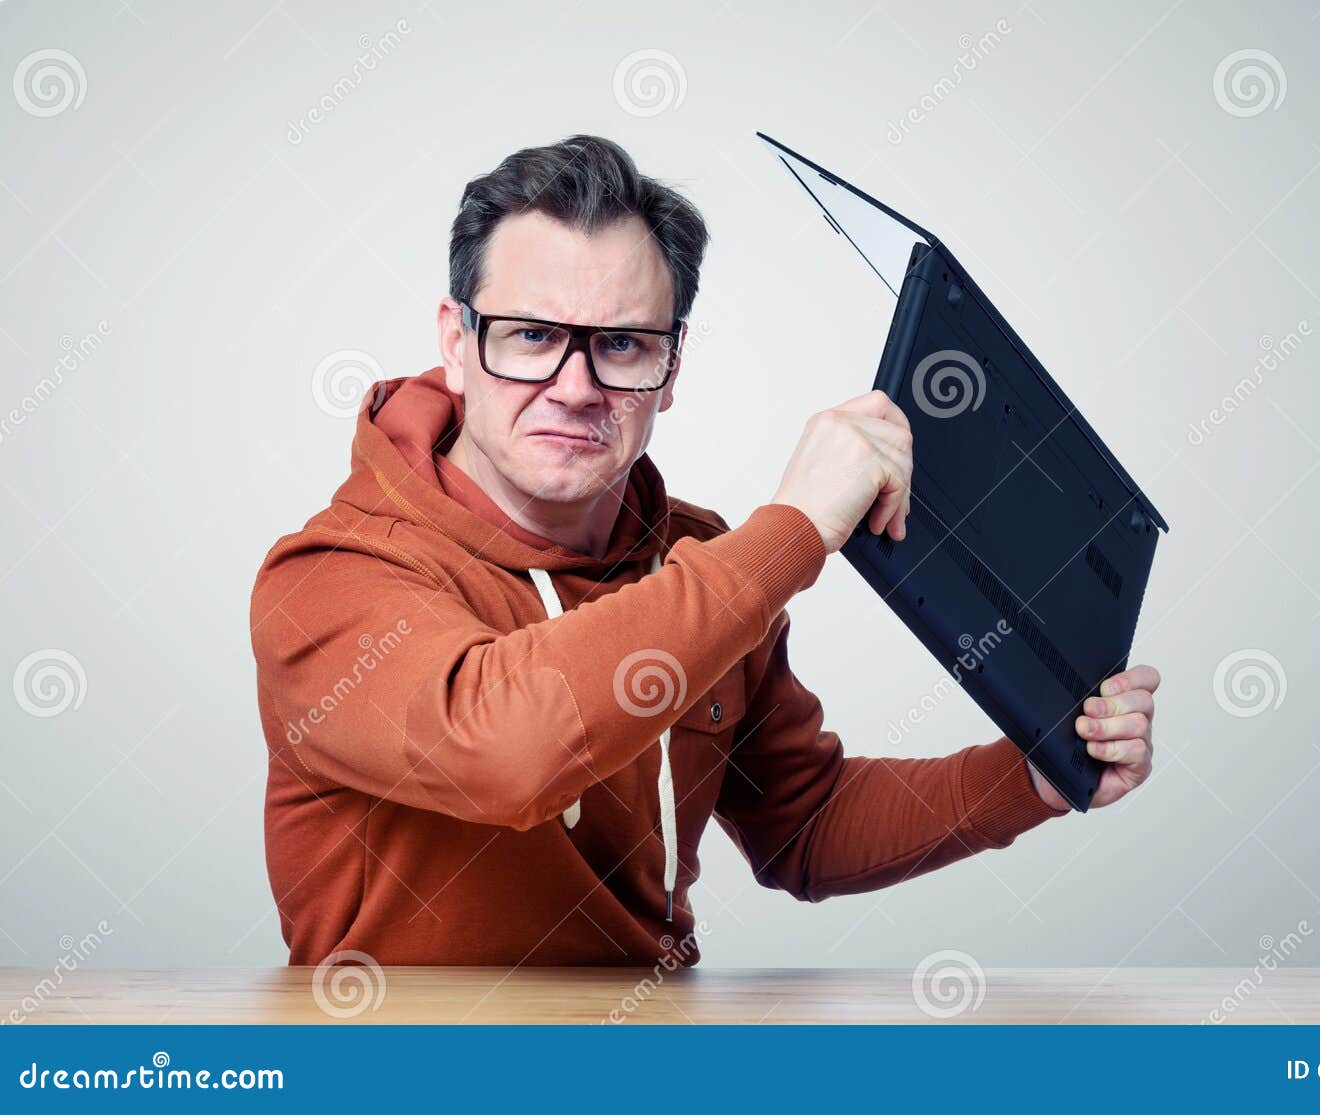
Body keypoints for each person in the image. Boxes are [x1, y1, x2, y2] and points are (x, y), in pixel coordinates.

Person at [249, 135, 1160, 965]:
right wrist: (793, 532)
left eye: (620, 344)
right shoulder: (329, 582)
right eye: (531, 336)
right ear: (457, 343)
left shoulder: (699, 558)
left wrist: (1030, 776)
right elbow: (508, 745)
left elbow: (805, 824)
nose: (575, 386)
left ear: (671, 367)